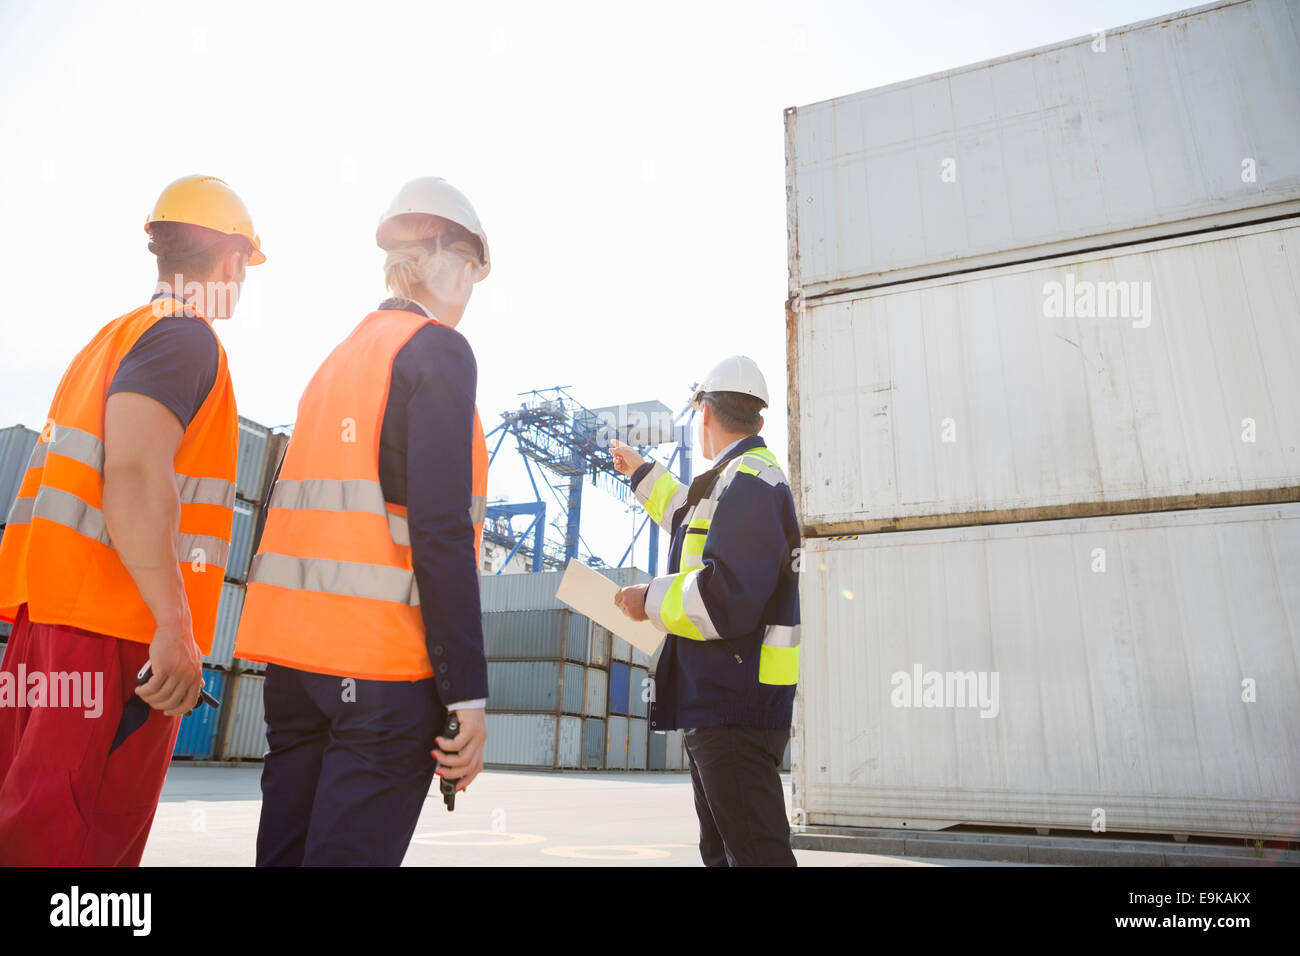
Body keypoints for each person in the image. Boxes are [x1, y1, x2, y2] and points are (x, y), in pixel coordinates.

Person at [0, 174, 264, 865]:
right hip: (116, 635)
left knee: (27, 819)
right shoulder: (185, 338)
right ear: (231, 259)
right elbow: (137, 476)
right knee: (77, 845)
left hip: (50, 624)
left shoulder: (113, 339)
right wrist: (175, 626)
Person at [234, 176, 491, 866]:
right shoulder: (438, 350)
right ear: (448, 260)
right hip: (379, 673)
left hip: (294, 666)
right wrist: (467, 690)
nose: (472, 288)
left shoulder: (339, 360)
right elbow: (441, 532)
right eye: (473, 270)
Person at [610, 355, 801, 867]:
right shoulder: (735, 479)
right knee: (723, 855)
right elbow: (689, 515)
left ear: (705, 416)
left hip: (734, 704)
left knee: (757, 856)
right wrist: (641, 472)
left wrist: (648, 598)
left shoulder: (749, 484)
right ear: (759, 421)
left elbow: (725, 599)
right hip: (724, 702)